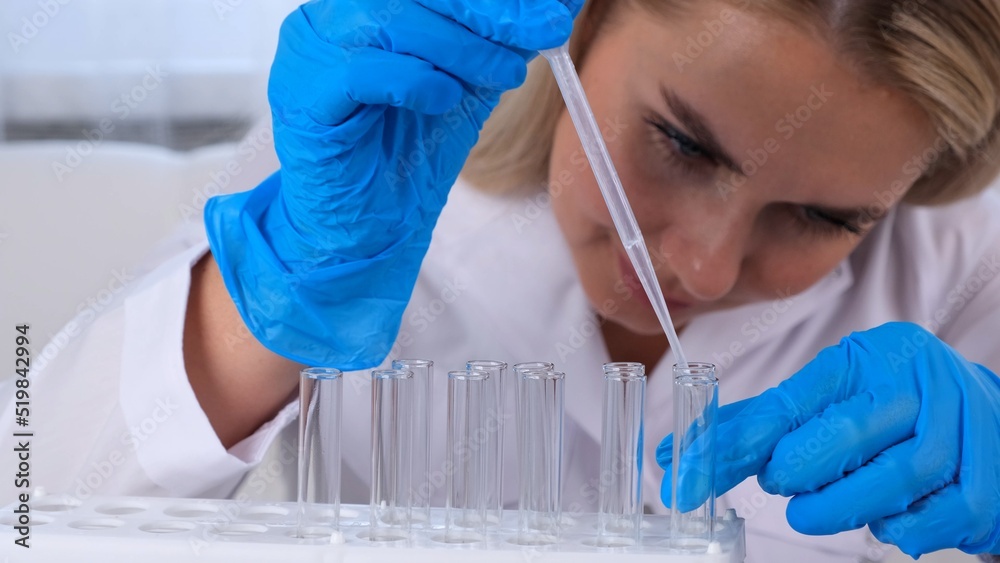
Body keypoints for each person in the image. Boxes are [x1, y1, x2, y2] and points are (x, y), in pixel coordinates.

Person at [3, 0, 1000, 561]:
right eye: (679, 142)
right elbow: (28, 513)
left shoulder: (967, 260)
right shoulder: (368, 159)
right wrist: (269, 310)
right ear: (581, 26)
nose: (698, 262)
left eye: (826, 217)